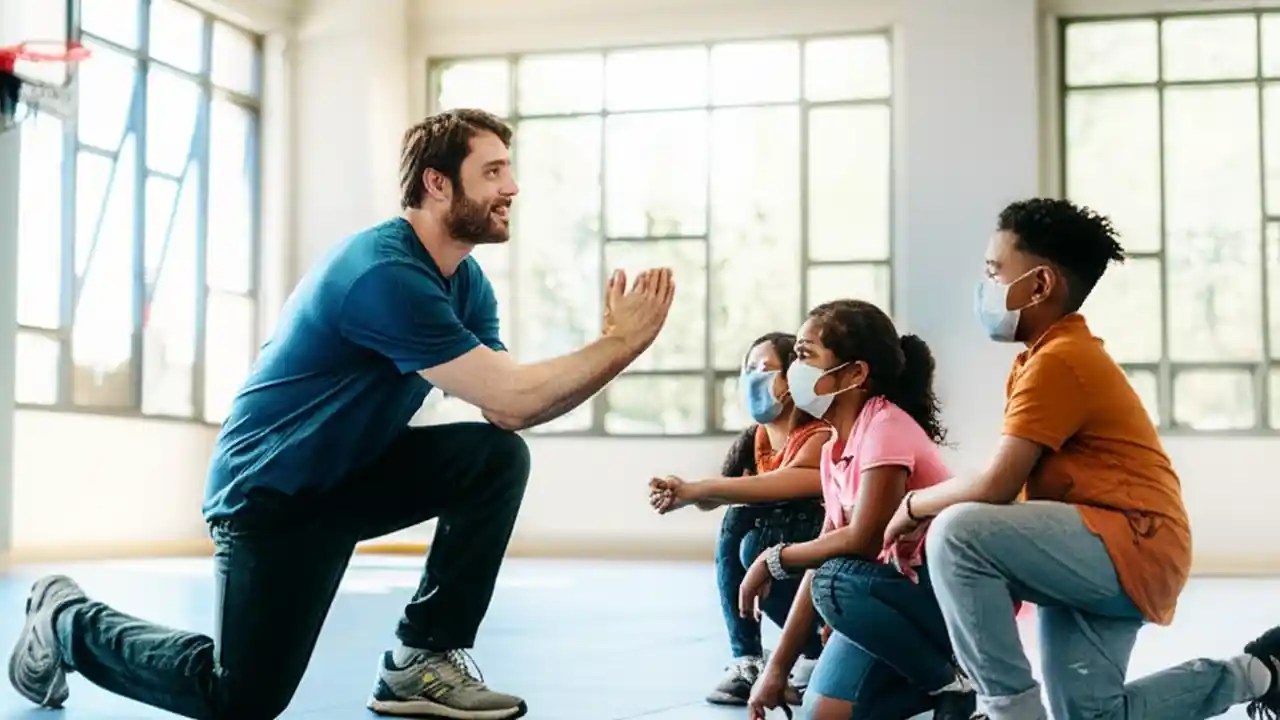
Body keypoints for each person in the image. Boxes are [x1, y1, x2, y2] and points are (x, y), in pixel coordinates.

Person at [7, 108, 676, 720]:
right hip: (270, 496)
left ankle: (422, 661)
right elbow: (515, 397)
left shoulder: (465, 283)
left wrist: (615, 348)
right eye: (493, 171)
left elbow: (507, 412)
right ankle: (66, 619)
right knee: (240, 697)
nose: (513, 187)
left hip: (351, 473)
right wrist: (621, 344)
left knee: (494, 459)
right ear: (438, 185)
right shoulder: (383, 275)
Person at [882, 198, 1280, 720]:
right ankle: (1260, 672)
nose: (985, 287)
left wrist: (913, 506)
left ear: (1041, 285)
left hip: (1129, 538)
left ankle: (1008, 712)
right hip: (1110, 541)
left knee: (958, 533)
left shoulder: (1061, 360)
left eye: (994, 271)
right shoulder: (1046, 357)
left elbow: (997, 485)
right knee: (1093, 715)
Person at [735, 300, 976, 720]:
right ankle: (936, 684)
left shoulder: (885, 427)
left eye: (806, 355)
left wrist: (772, 559)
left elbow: (862, 541)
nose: (794, 369)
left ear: (855, 374)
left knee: (834, 581)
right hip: (892, 601)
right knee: (821, 713)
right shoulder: (833, 449)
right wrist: (776, 670)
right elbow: (830, 548)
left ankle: (954, 683)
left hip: (940, 600)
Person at [650, 332, 829, 706]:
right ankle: (747, 659)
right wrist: (682, 493)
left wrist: (699, 489)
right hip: (771, 550)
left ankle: (813, 645)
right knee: (738, 525)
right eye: (748, 370)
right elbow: (730, 494)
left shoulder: (819, 434)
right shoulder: (754, 440)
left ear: (792, 379)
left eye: (765, 369)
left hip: (819, 550)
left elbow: (780, 485)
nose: (754, 378)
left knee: (752, 540)